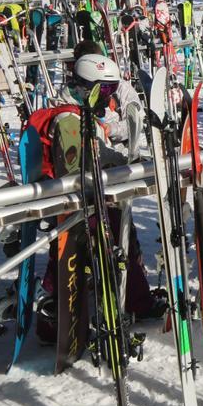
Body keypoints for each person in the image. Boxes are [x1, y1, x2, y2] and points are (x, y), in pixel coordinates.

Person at [36, 47, 166, 336]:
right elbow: (75, 169)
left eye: (111, 89)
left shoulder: (80, 113)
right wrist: (113, 168)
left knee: (96, 242)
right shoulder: (69, 120)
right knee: (118, 238)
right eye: (103, 90)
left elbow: (97, 152)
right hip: (80, 201)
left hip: (85, 197)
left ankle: (56, 309)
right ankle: (133, 302)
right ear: (86, 87)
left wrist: (126, 162)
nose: (108, 97)